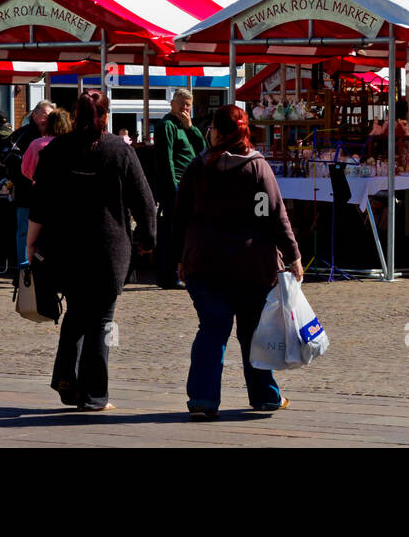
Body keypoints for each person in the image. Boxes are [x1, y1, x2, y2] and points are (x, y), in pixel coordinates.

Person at [26, 91, 155, 412]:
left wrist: (31, 244)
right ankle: (94, 394)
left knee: (77, 312)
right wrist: (147, 239)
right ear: (107, 116)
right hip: (109, 250)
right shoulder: (119, 151)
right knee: (100, 320)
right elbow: (145, 201)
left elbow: (40, 204)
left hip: (65, 249)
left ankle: (65, 377)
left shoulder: (56, 150)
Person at [174, 104, 303, 419]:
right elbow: (272, 214)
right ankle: (264, 396)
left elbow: (179, 218)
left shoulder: (198, 167)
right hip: (251, 264)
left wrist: (178, 257)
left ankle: (203, 399)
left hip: (204, 264)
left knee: (212, 329)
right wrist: (293, 256)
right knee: (252, 332)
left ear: (216, 131)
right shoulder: (257, 168)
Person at [151, 88, 206, 289]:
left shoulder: (186, 126)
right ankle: (169, 274)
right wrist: (174, 188)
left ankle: (182, 270)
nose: (184, 108)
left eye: (188, 105)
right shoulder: (166, 125)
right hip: (174, 188)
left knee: (184, 232)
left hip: (189, 186)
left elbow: (203, 149)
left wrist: (191, 127)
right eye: (181, 103)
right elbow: (166, 161)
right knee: (172, 232)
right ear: (172, 103)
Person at [18, 108, 72, 265]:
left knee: (32, 240)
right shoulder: (73, 145)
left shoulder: (36, 144)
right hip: (67, 197)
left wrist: (36, 179)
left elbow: (25, 170)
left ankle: (32, 268)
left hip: (40, 196)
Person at [3, 101, 51, 266]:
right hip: (26, 192)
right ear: (34, 115)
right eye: (44, 114)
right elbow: (8, 159)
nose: (46, 118)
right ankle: (24, 267)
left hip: (47, 195)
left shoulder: (56, 137)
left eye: (50, 115)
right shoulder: (21, 135)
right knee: (24, 230)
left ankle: (46, 266)